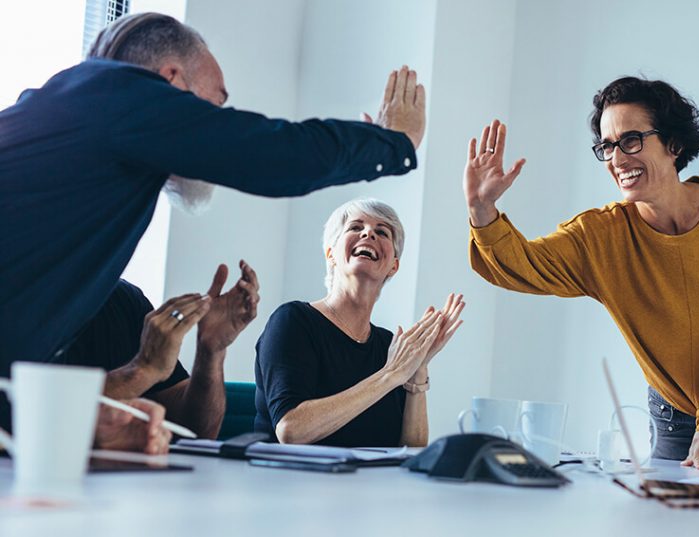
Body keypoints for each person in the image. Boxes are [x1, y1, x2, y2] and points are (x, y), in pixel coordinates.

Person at [0, 12, 426, 443]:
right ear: (171, 79)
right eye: (215, 106)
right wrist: (393, 142)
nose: (215, 122)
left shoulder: (60, 119)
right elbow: (268, 150)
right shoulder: (116, 94)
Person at [464, 77, 699, 471]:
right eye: (607, 146)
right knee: (670, 506)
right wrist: (481, 209)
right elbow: (521, 265)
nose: (617, 159)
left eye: (631, 140)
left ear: (673, 144)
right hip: (676, 407)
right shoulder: (599, 236)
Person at [255, 199, 464, 447]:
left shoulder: (392, 347)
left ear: (393, 266)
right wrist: (390, 374)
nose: (368, 234)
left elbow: (412, 450)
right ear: (331, 254)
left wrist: (418, 368)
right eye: (355, 227)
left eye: (382, 232)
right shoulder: (293, 321)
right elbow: (291, 430)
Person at [63, 260, 259, 439]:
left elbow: (195, 432)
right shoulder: (42, 303)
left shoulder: (121, 298)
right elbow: (51, 416)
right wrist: (144, 370)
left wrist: (211, 351)